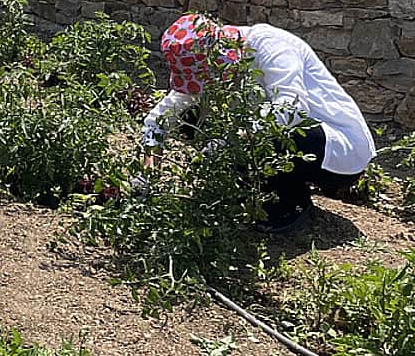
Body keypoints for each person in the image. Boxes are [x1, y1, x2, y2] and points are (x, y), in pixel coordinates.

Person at [142, 13, 376, 232]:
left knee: (273, 132)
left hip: (340, 150)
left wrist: (225, 144)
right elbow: (159, 119)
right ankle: (263, 190)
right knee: (191, 119)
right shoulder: (206, 58)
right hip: (300, 145)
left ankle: (291, 203)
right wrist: (147, 176)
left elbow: (291, 110)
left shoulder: (272, 47)